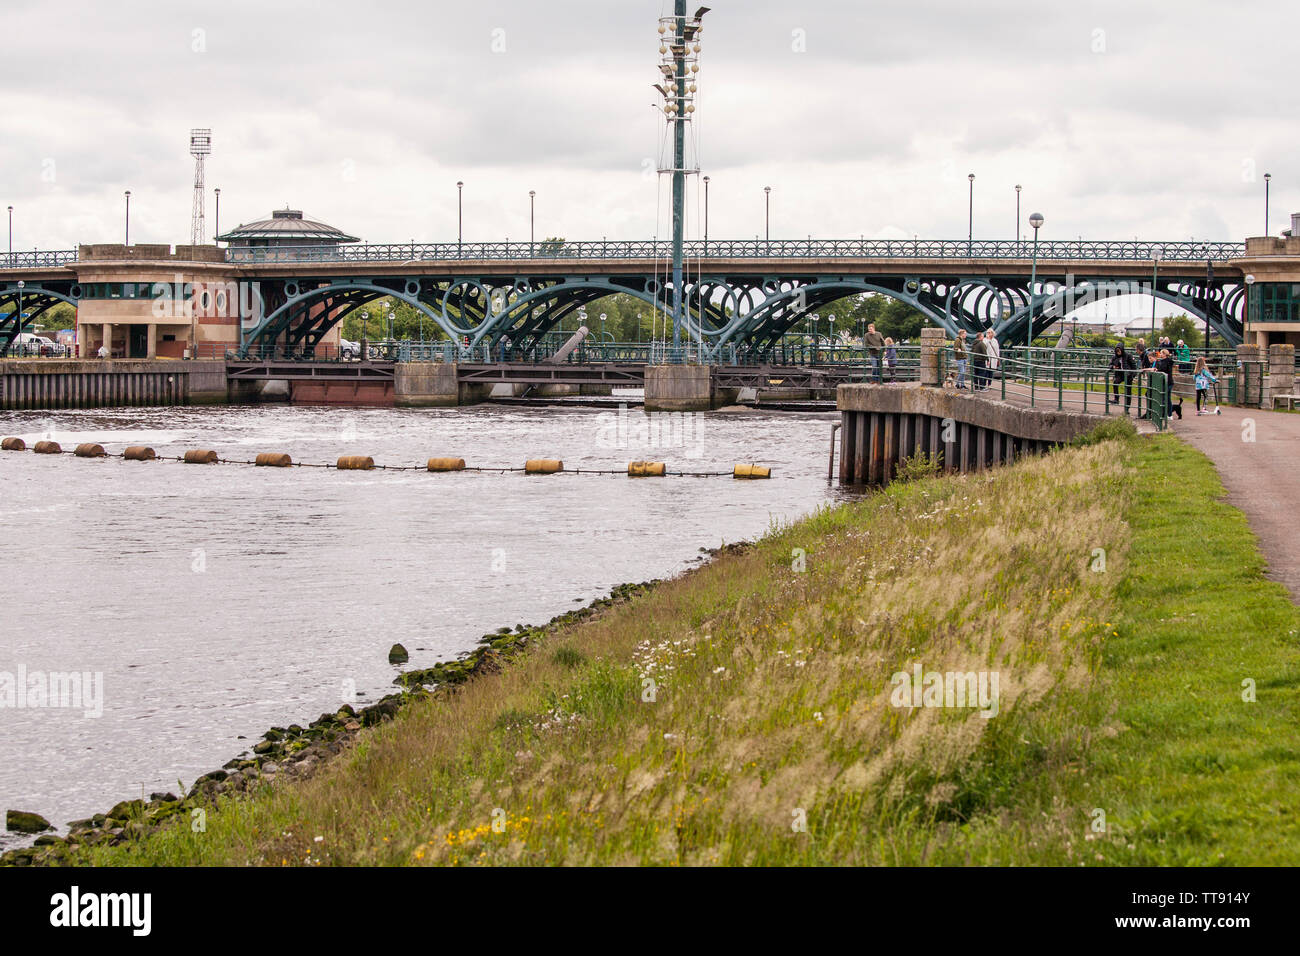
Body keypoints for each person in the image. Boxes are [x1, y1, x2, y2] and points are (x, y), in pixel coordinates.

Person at [1152, 348, 1182, 420]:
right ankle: (1168, 414)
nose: (1161, 355)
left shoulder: (1167, 361)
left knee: (1166, 398)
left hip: (1168, 382)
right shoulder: (1163, 361)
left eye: (1162, 353)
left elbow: (1164, 369)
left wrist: (1158, 370)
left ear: (1165, 354)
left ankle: (1168, 414)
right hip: (1166, 382)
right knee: (1166, 398)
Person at [1108, 344, 1136, 412]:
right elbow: (1110, 365)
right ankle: (1116, 399)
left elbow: (1134, 366)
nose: (1118, 353)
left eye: (1119, 351)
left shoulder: (1128, 356)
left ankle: (1127, 408)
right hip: (1120, 375)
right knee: (1115, 383)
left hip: (1128, 375)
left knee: (1128, 391)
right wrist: (1113, 367)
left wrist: (1133, 376)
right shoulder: (1114, 357)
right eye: (1117, 352)